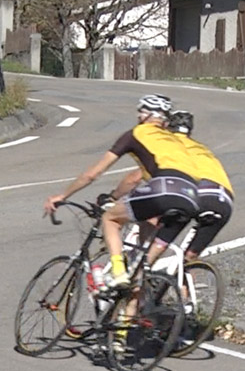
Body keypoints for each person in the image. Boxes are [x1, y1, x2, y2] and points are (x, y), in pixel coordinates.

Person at [43, 94, 199, 288]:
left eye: (140, 112)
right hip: (192, 196)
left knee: (110, 218)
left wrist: (62, 196)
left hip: (165, 187)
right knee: (146, 225)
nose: (138, 116)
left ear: (146, 115)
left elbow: (92, 174)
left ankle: (118, 272)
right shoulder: (176, 141)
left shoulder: (136, 134)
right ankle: (141, 285)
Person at [167, 110, 234, 260]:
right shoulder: (202, 149)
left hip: (196, 193)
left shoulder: (168, 146)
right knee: (190, 257)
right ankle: (188, 272)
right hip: (223, 200)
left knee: (157, 235)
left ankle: (143, 268)